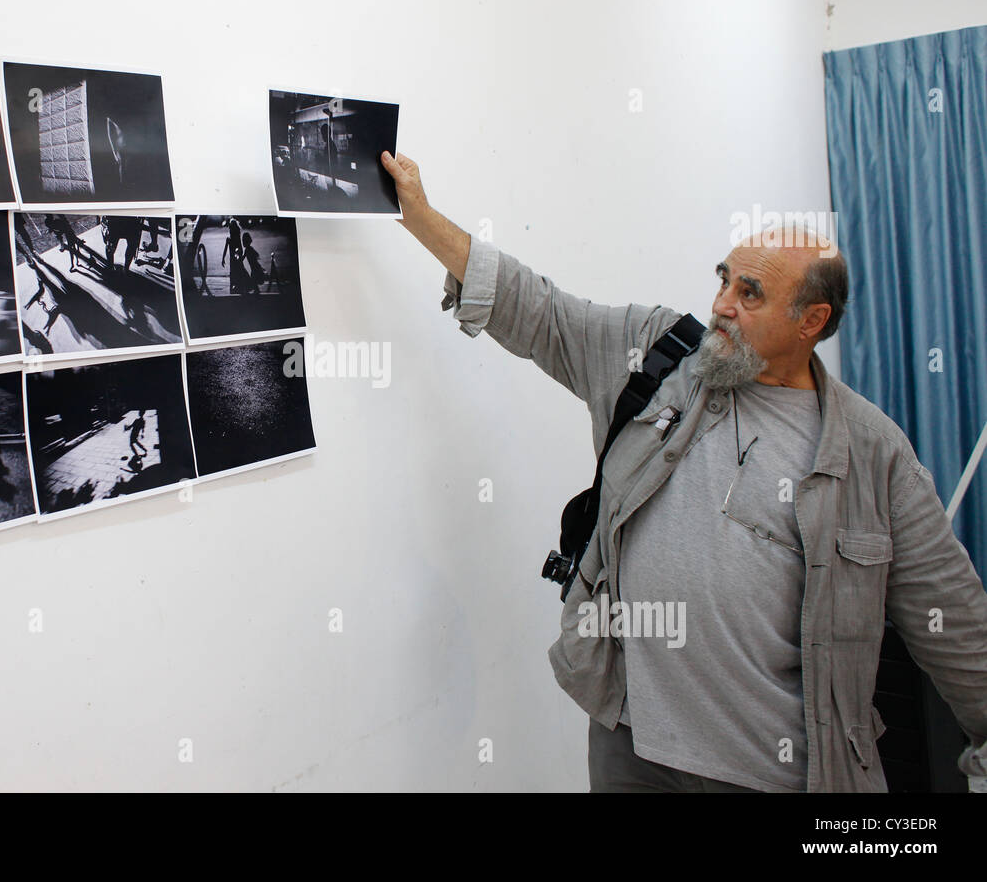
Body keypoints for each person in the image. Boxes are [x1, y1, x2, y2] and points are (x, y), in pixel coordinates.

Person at [380, 149, 987, 794]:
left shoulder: (874, 455)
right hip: (632, 745)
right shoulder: (660, 356)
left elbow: (953, 626)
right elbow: (542, 313)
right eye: (724, 280)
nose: (722, 304)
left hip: (776, 772)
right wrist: (418, 215)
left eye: (749, 293)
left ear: (811, 321)